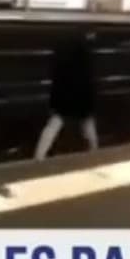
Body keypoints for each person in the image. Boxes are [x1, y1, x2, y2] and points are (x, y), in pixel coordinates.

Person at [34, 30, 99, 161]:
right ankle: (95, 151)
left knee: (54, 124)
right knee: (88, 124)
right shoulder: (85, 59)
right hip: (82, 97)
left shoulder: (62, 58)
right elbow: (89, 81)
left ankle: (39, 155)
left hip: (64, 97)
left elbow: (56, 80)